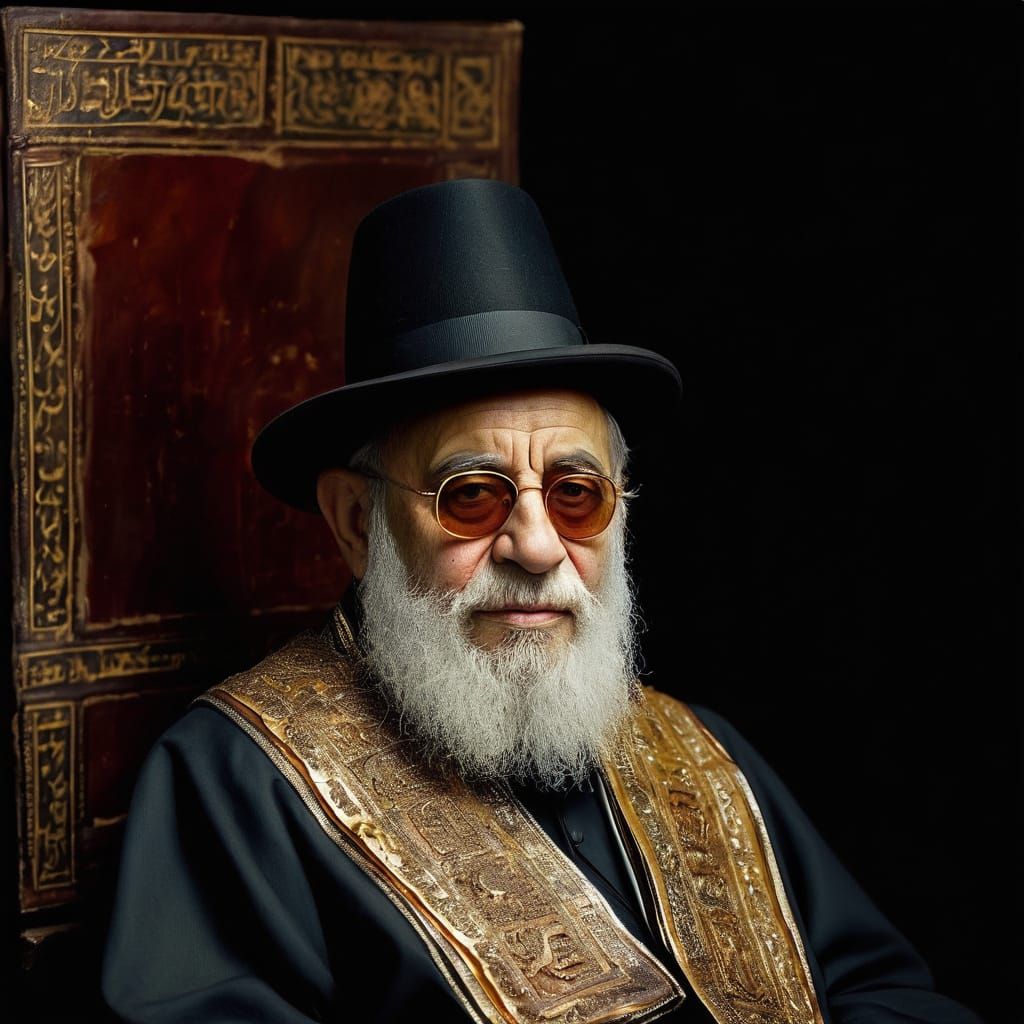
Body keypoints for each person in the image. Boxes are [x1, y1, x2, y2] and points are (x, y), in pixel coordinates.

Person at [101, 179, 984, 1024]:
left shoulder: (698, 749)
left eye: (576, 495)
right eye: (473, 496)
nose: (535, 547)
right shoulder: (234, 780)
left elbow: (882, 990)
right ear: (355, 521)